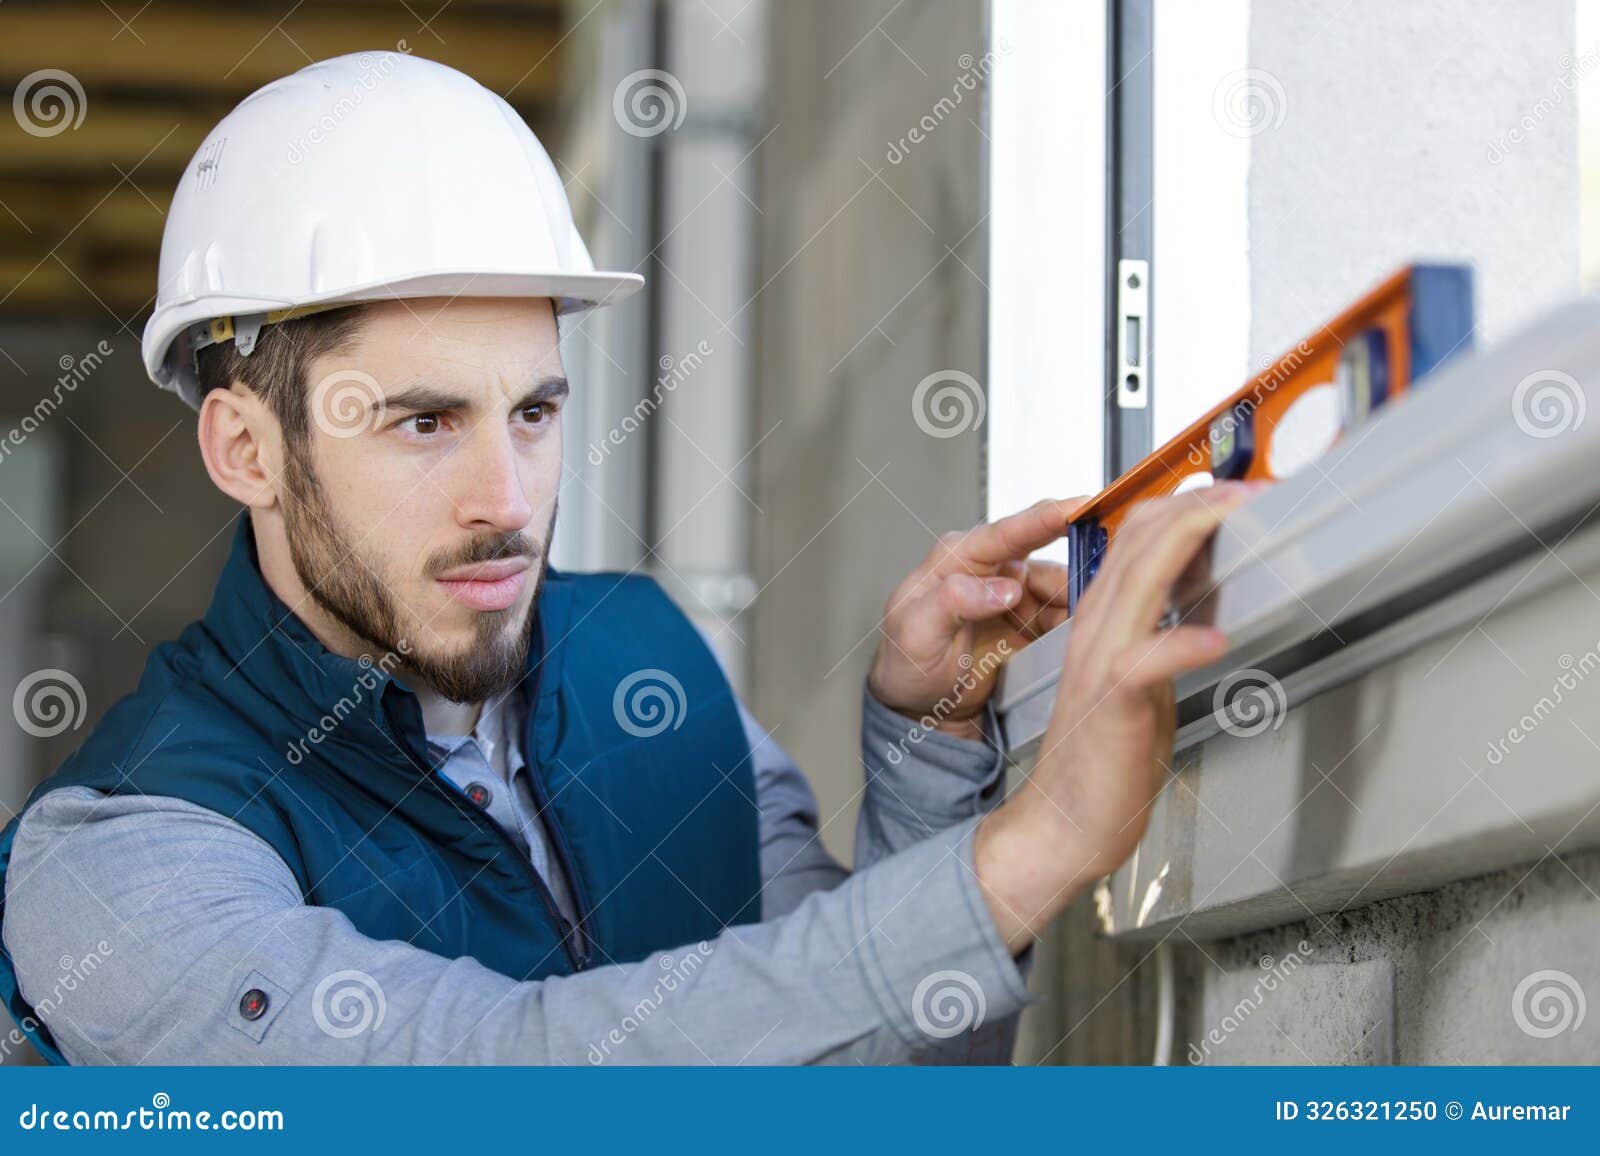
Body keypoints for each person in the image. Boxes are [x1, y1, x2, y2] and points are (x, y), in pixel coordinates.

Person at [0, 53, 1255, 1065]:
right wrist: (1038, 843)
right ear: (246, 448)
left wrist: (931, 748)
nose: (506, 501)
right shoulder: (122, 861)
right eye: (423, 423)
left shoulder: (643, 666)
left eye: (533, 413)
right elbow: (497, 1079)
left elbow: (884, 1075)